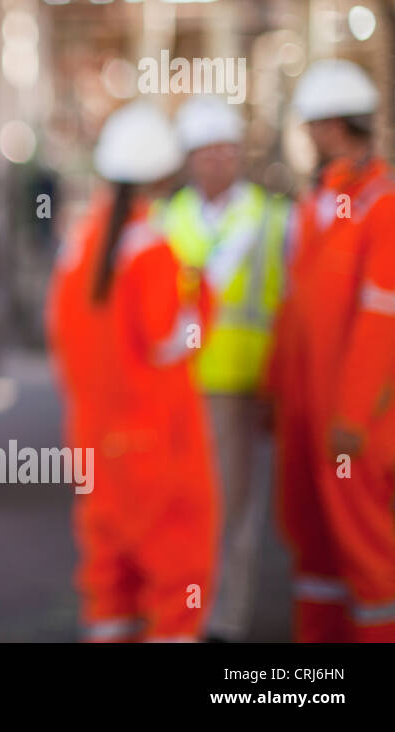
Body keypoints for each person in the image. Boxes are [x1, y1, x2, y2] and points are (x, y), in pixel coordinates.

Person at [46, 100, 219, 641]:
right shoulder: (151, 248)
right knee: (176, 578)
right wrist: (203, 296)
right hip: (154, 442)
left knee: (109, 579)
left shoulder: (79, 246)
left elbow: (63, 338)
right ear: (162, 173)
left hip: (95, 441)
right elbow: (171, 340)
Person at [270, 58, 395, 641]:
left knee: (368, 554)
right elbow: (296, 311)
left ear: (332, 127)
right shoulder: (320, 201)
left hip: (352, 421)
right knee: (313, 547)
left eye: (313, 126)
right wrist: (280, 394)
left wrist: (349, 413)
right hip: (307, 414)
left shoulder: (379, 205)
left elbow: (381, 317)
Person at [159, 94, 290, 641]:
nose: (220, 160)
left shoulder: (269, 218)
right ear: (190, 157)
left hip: (241, 382)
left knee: (235, 504)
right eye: (209, 151)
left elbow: (289, 303)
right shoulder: (169, 220)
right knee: (184, 501)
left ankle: (225, 621)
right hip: (181, 385)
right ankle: (187, 608)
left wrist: (276, 385)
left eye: (229, 150)